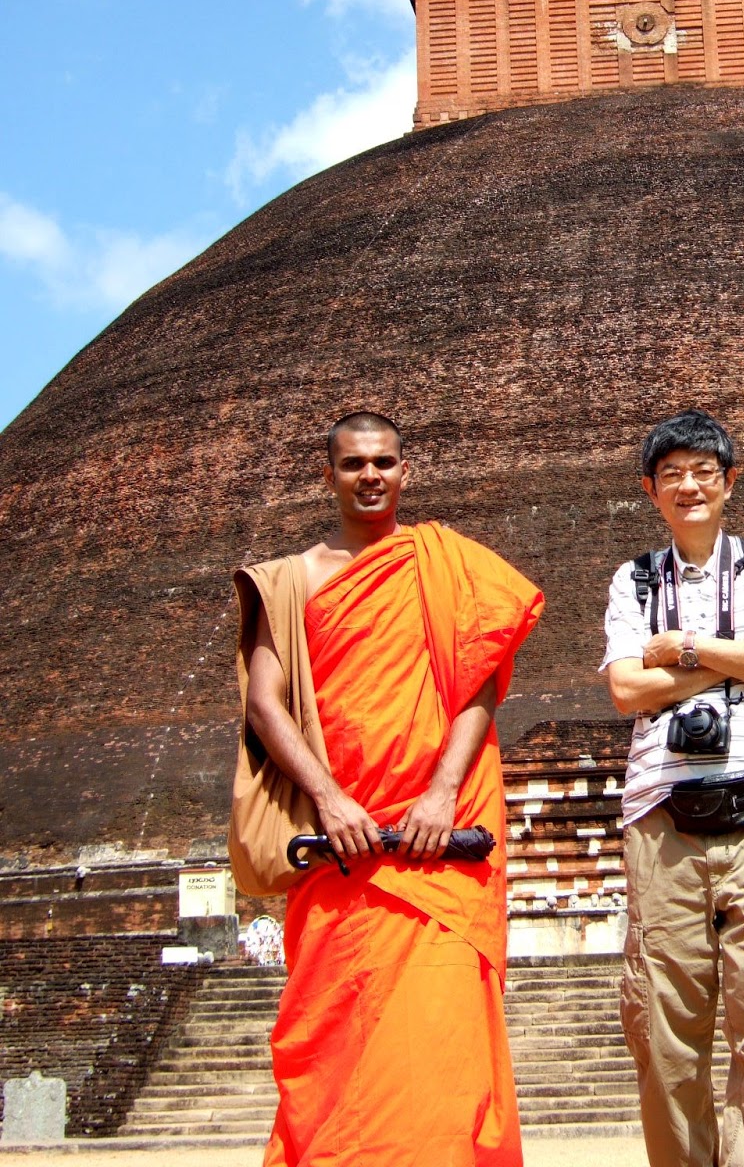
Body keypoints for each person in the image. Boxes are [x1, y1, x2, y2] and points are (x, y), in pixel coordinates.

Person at [235, 410, 543, 1167]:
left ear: (406, 470)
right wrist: (331, 798)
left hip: (437, 857)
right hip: (338, 857)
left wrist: (442, 794)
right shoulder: (291, 580)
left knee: (438, 1056)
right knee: (335, 1054)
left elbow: (479, 689)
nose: (369, 476)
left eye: (383, 462)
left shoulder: (445, 565)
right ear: (328, 474)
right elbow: (263, 702)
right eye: (352, 464)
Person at [601, 410, 744, 1167]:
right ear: (650, 491)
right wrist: (741, 653)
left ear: (729, 483)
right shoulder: (633, 580)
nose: (688, 486)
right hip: (661, 809)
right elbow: (627, 690)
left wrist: (688, 649)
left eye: (703, 473)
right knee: (666, 1028)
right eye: (671, 475)